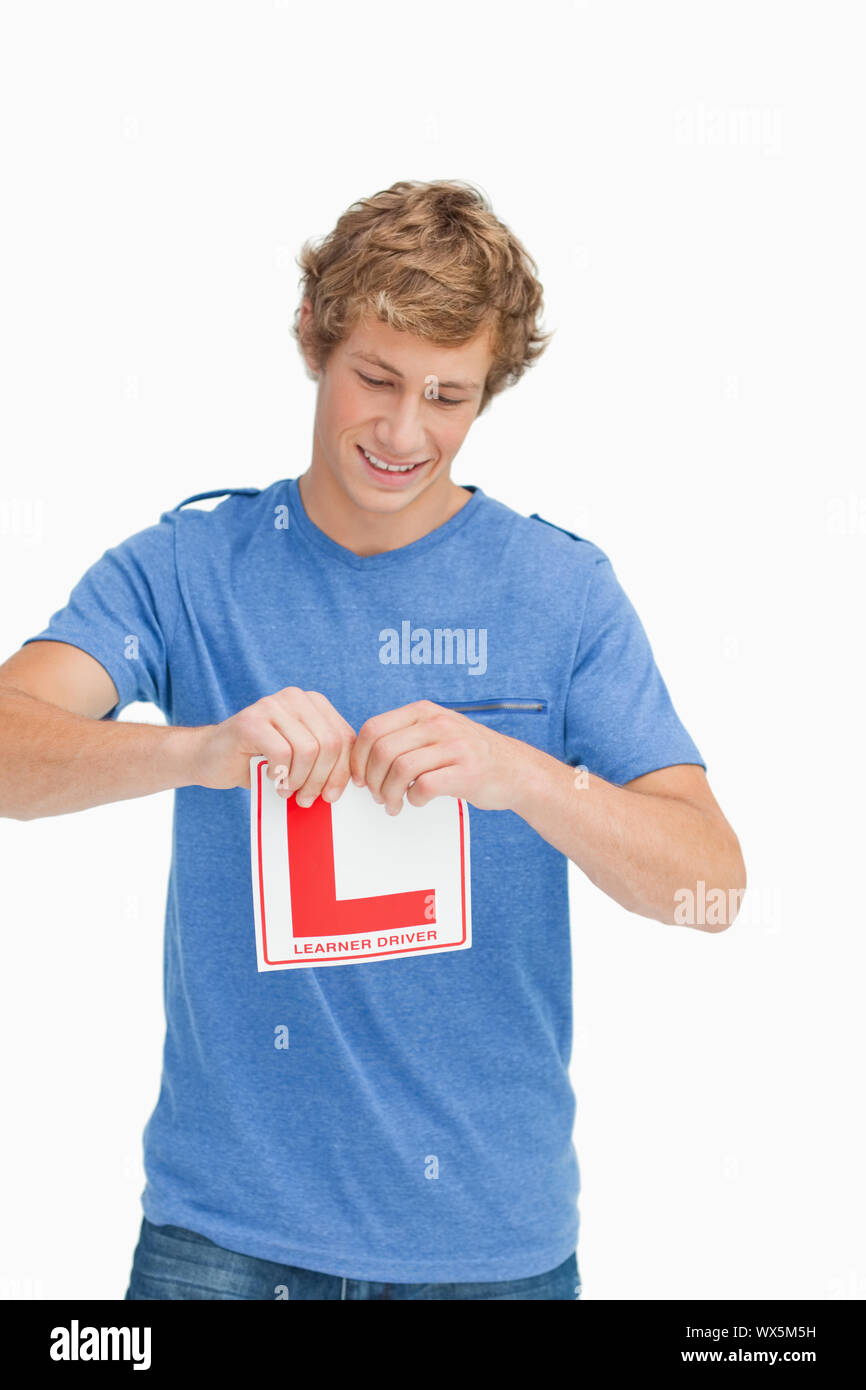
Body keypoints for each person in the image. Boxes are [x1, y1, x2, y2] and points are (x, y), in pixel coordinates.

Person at [0, 179, 746, 1301]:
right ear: (312, 338)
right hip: (224, 1242)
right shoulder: (186, 568)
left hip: (490, 1254)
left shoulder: (559, 590)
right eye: (376, 379)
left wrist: (523, 775)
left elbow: (711, 886)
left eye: (448, 396)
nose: (405, 433)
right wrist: (197, 751)